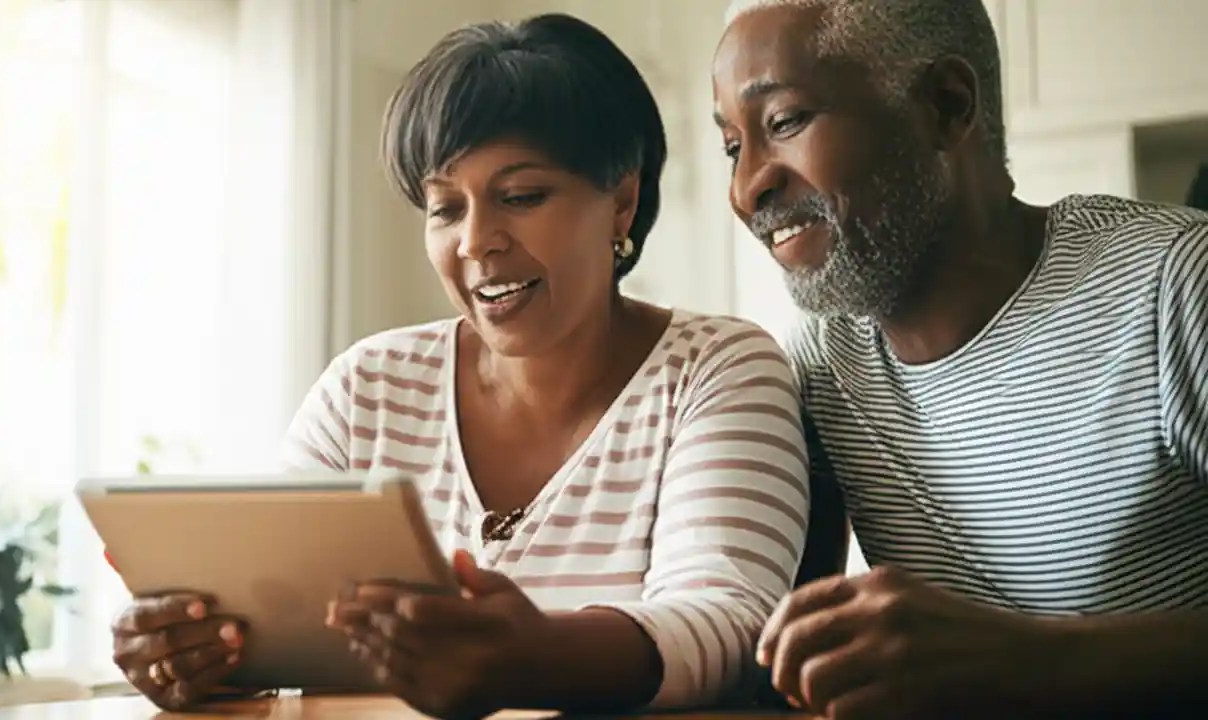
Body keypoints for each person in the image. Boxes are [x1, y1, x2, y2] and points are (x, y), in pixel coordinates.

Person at [110, 13, 811, 717]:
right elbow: (275, 625)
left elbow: (731, 623)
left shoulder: (719, 370)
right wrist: (207, 651)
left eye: (522, 197)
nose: (476, 242)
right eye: (445, 208)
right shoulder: (366, 389)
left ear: (621, 203)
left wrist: (537, 658)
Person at [712, 0, 1208, 718]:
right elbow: (782, 666)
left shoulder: (1173, 285)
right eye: (733, 145)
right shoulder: (823, 364)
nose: (746, 186)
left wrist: (1032, 662)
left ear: (947, 106)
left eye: (784, 122)